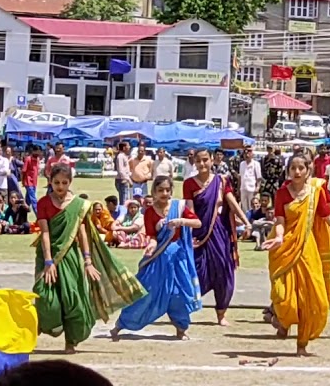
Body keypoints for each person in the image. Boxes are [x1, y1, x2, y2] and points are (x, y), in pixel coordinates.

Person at [34, 164, 146, 354]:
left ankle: (71, 341)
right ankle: (38, 327)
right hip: (47, 256)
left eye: (64, 182)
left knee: (72, 300)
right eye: (56, 183)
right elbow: (44, 233)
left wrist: (87, 261)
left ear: (70, 183)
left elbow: (82, 233)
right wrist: (48, 262)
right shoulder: (44, 203)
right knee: (45, 298)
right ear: (50, 182)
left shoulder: (79, 205)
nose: (60, 186)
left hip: (70, 257)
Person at [262, 154, 330, 356]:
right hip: (283, 248)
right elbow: (280, 220)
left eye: (301, 168)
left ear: (308, 170)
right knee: (283, 295)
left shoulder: (315, 192)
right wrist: (279, 237)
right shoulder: (282, 192)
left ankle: (302, 344)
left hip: (307, 249)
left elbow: (329, 216)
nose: (297, 172)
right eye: (293, 168)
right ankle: (282, 319)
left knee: (314, 298)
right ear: (288, 171)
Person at [109, 175, 203, 341]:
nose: (164, 193)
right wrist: (151, 245)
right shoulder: (150, 212)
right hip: (159, 258)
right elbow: (152, 235)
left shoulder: (178, 206)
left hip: (178, 258)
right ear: (153, 192)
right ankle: (121, 324)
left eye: (167, 190)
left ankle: (181, 329)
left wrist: (180, 221)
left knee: (178, 294)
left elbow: (197, 223)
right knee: (147, 292)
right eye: (160, 190)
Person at [185, 149, 250, 326]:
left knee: (224, 270)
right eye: (198, 161)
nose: (202, 164)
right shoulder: (189, 184)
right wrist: (189, 232)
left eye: (205, 160)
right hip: (200, 235)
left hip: (220, 234)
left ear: (212, 160)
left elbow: (232, 203)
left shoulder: (221, 181)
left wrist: (246, 222)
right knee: (196, 272)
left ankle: (221, 314)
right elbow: (190, 211)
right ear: (194, 163)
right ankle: (184, 308)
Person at [22, 146, 41, 211]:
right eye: (37, 151)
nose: (38, 153)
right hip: (28, 182)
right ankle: (38, 215)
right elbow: (23, 171)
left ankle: (23, 215)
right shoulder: (28, 159)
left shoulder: (37, 160)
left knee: (28, 200)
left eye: (39, 151)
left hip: (34, 182)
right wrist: (23, 181)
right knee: (33, 200)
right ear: (33, 151)